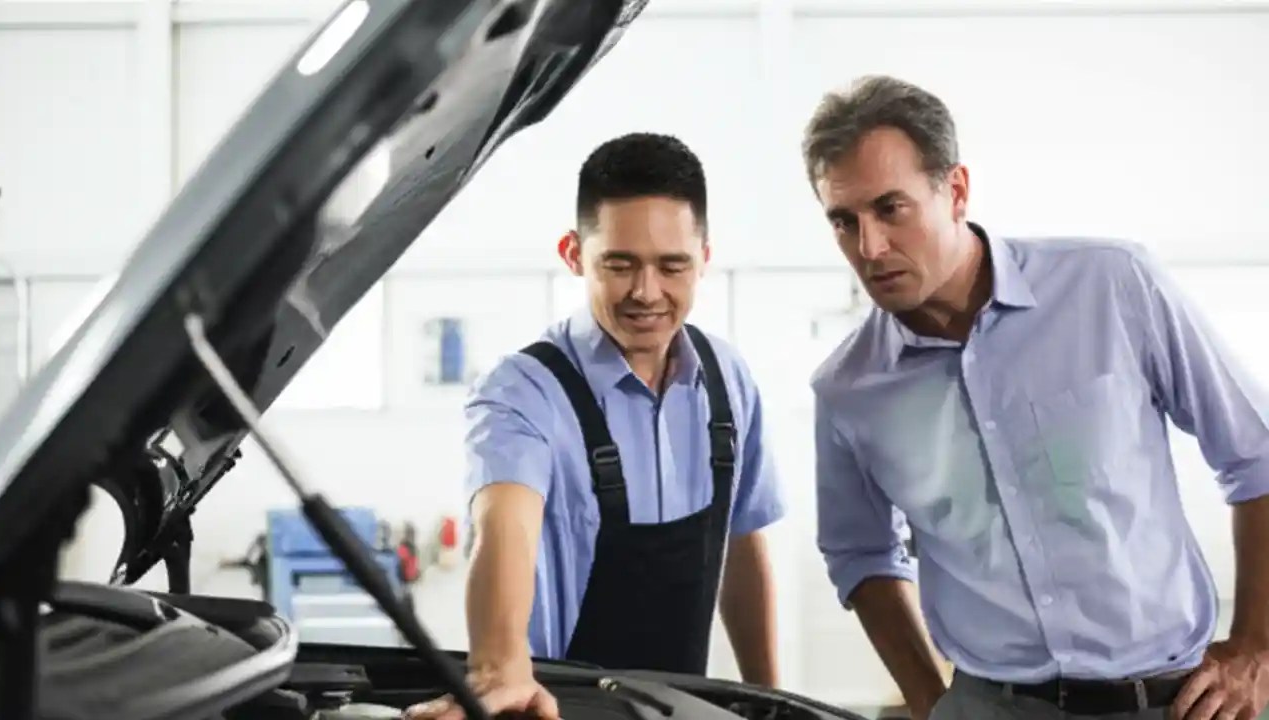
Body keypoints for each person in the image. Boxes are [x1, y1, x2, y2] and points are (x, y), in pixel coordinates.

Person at [802, 74, 1269, 720]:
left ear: (956, 190)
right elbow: (858, 553)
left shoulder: (1112, 286)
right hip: (990, 705)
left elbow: (1256, 456)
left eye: (890, 209)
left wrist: (1255, 647)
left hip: (1171, 701)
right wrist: (930, 703)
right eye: (843, 221)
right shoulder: (846, 390)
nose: (870, 248)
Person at [405, 132, 785, 720]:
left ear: (704, 258)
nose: (646, 292)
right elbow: (504, 524)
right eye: (620, 264)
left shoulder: (727, 378)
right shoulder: (524, 391)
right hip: (548, 709)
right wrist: (500, 667)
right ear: (574, 254)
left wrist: (770, 700)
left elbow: (742, 541)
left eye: (672, 265)